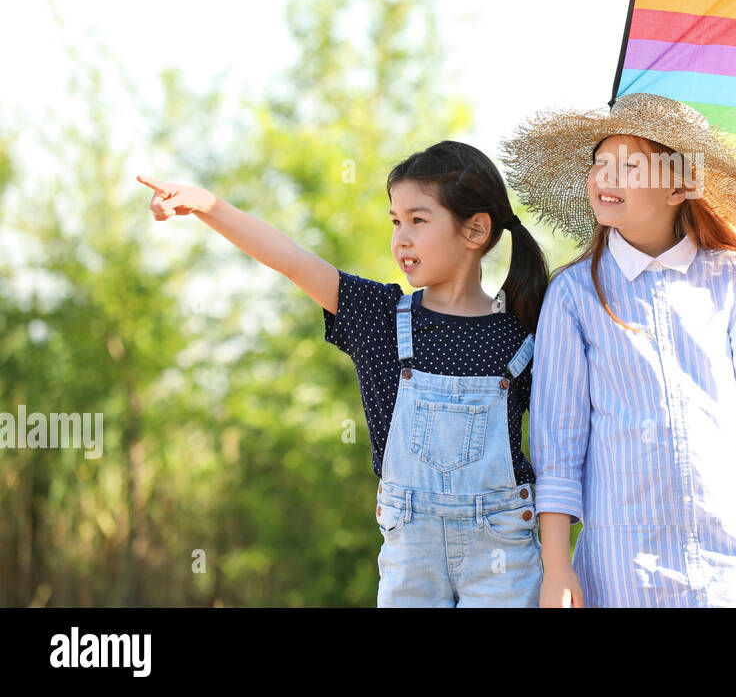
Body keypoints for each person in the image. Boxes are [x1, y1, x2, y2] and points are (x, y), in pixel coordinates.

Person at [137, 140, 551, 607]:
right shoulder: (377, 317)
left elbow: (561, 455)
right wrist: (207, 205)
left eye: (418, 219)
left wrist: (558, 569)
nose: (401, 238)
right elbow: (291, 258)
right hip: (410, 562)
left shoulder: (524, 333)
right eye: (395, 222)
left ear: (476, 230)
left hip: (503, 557)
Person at [501, 92, 736, 607]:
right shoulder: (573, 295)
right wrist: (557, 567)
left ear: (679, 184)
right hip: (620, 567)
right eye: (600, 163)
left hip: (728, 564)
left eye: (629, 164)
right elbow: (557, 446)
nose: (606, 176)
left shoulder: (731, 279)